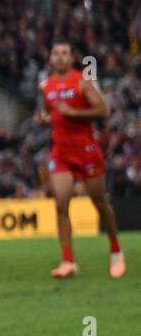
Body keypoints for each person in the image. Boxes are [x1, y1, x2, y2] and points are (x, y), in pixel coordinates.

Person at [36, 40, 126, 278]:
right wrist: (44, 120)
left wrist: (74, 112)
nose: (60, 57)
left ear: (72, 58)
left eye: (65, 53)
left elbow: (103, 111)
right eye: (56, 53)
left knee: (99, 202)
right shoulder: (46, 86)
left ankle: (116, 250)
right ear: (51, 58)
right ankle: (68, 261)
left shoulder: (82, 81)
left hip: (86, 150)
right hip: (61, 153)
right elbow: (52, 112)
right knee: (61, 204)